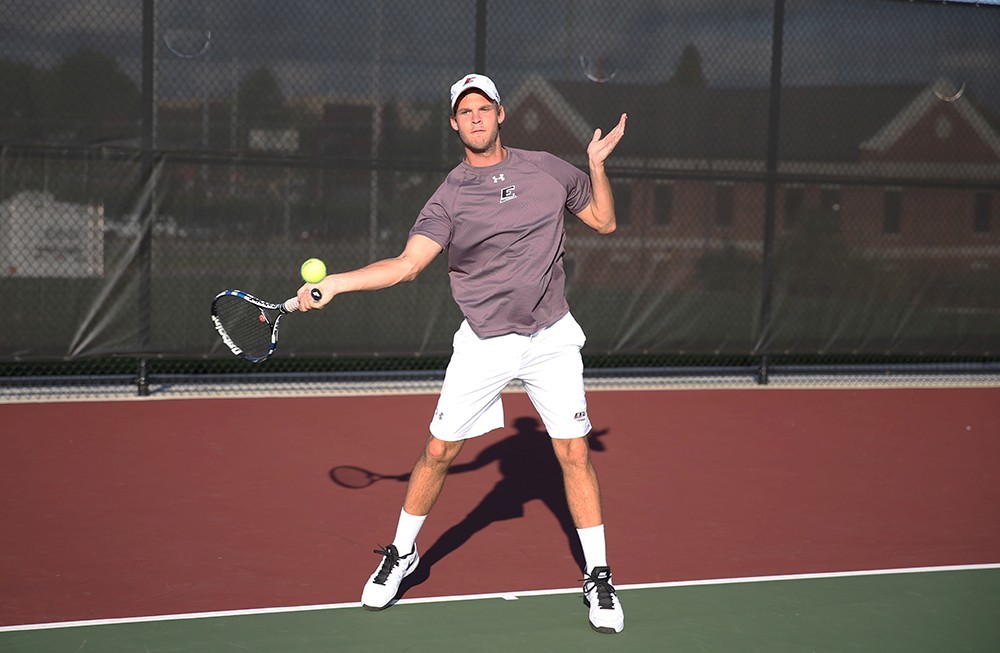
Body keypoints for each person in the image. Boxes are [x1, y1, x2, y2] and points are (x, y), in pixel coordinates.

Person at [296, 73, 627, 634]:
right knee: (439, 450)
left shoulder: (548, 168)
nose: (475, 117)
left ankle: (599, 576)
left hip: (551, 338)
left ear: (500, 114)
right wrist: (337, 284)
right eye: (464, 111)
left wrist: (595, 164)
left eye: (484, 108)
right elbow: (406, 265)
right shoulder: (448, 197)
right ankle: (402, 555)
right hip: (484, 342)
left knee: (573, 453)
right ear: (454, 123)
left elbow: (604, 220)